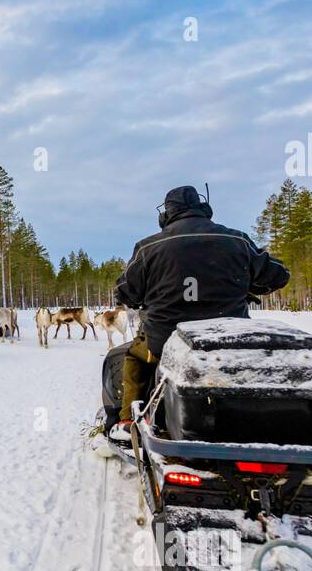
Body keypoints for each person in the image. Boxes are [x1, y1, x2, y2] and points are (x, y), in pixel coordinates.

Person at [108, 185, 289, 442]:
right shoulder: (237, 240)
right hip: (228, 341)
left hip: (164, 342)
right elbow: (279, 275)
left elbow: (125, 291)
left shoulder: (148, 247)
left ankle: (127, 422)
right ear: (202, 207)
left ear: (167, 213)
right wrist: (249, 282)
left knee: (134, 358)